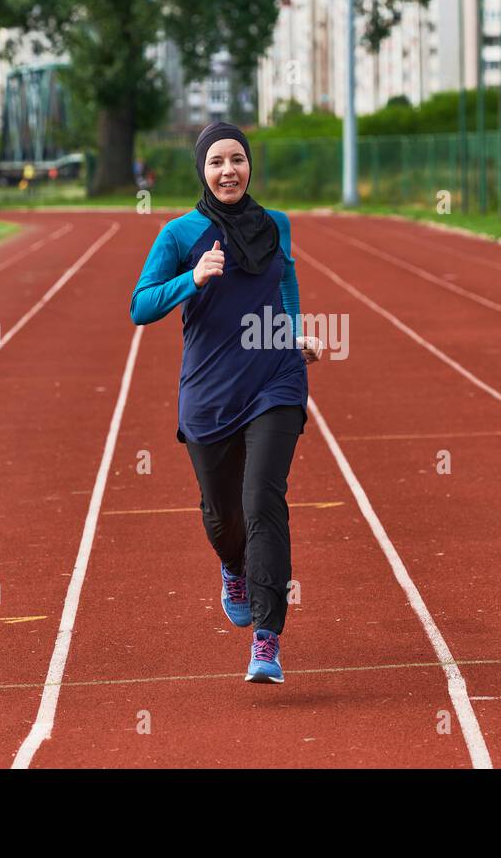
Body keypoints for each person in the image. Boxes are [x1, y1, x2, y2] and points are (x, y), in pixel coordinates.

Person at [130, 121, 321, 683]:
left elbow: (284, 284)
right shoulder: (179, 234)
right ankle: (232, 565)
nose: (228, 170)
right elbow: (140, 307)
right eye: (216, 162)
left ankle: (267, 639)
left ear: (249, 166)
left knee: (263, 500)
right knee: (223, 515)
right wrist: (192, 278)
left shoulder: (276, 226)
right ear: (202, 171)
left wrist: (294, 332)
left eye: (237, 159)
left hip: (274, 379)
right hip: (211, 391)